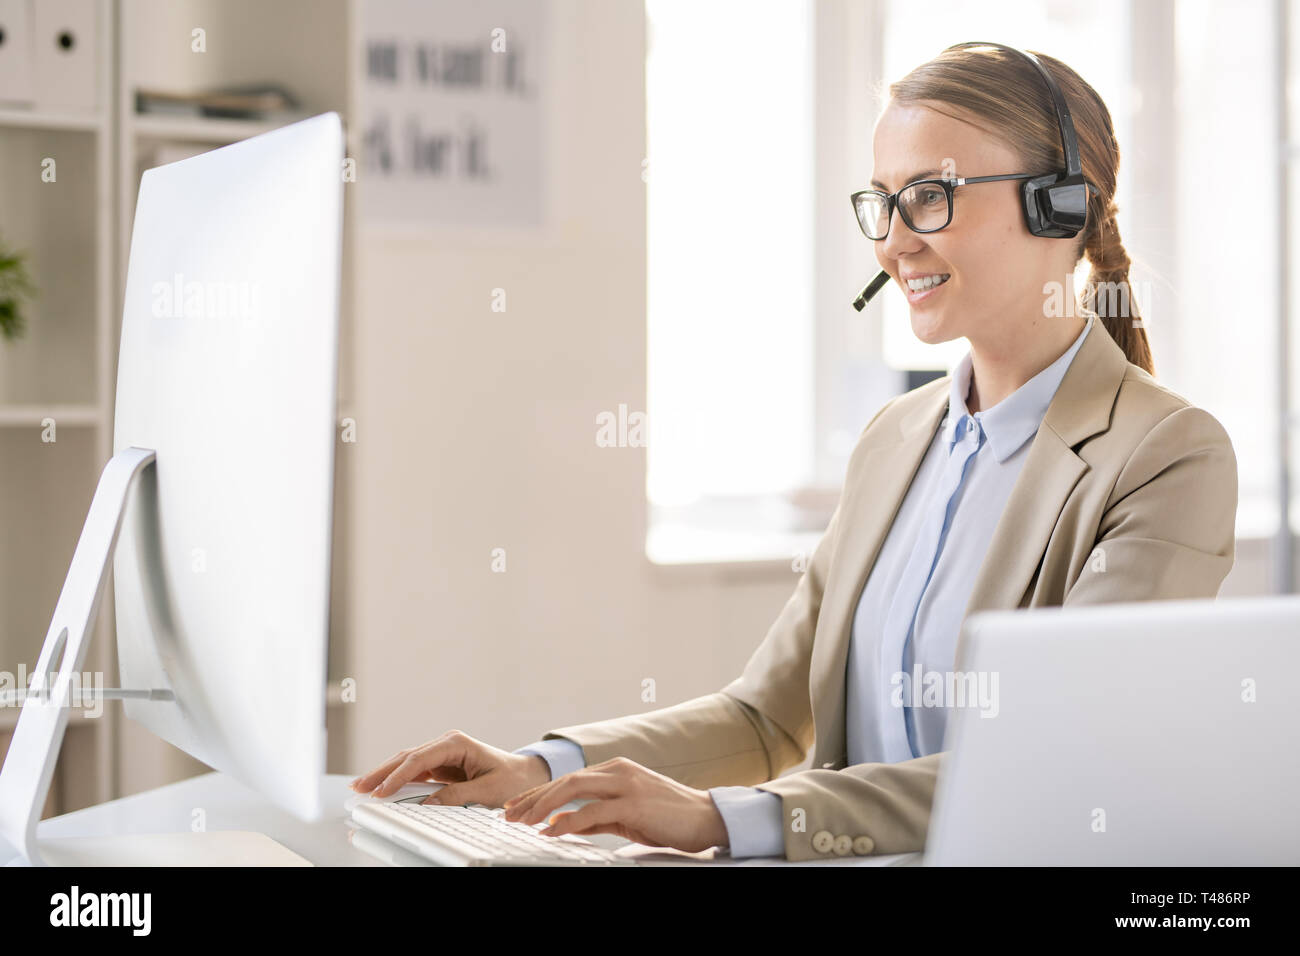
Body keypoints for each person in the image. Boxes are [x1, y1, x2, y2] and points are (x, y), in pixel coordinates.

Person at [350, 43, 1238, 862]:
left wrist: (723, 818)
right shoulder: (899, 438)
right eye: (882, 202)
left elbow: (1049, 766)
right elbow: (766, 714)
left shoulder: (1167, 455)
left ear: (1060, 204)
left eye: (932, 194)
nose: (894, 239)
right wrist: (544, 769)